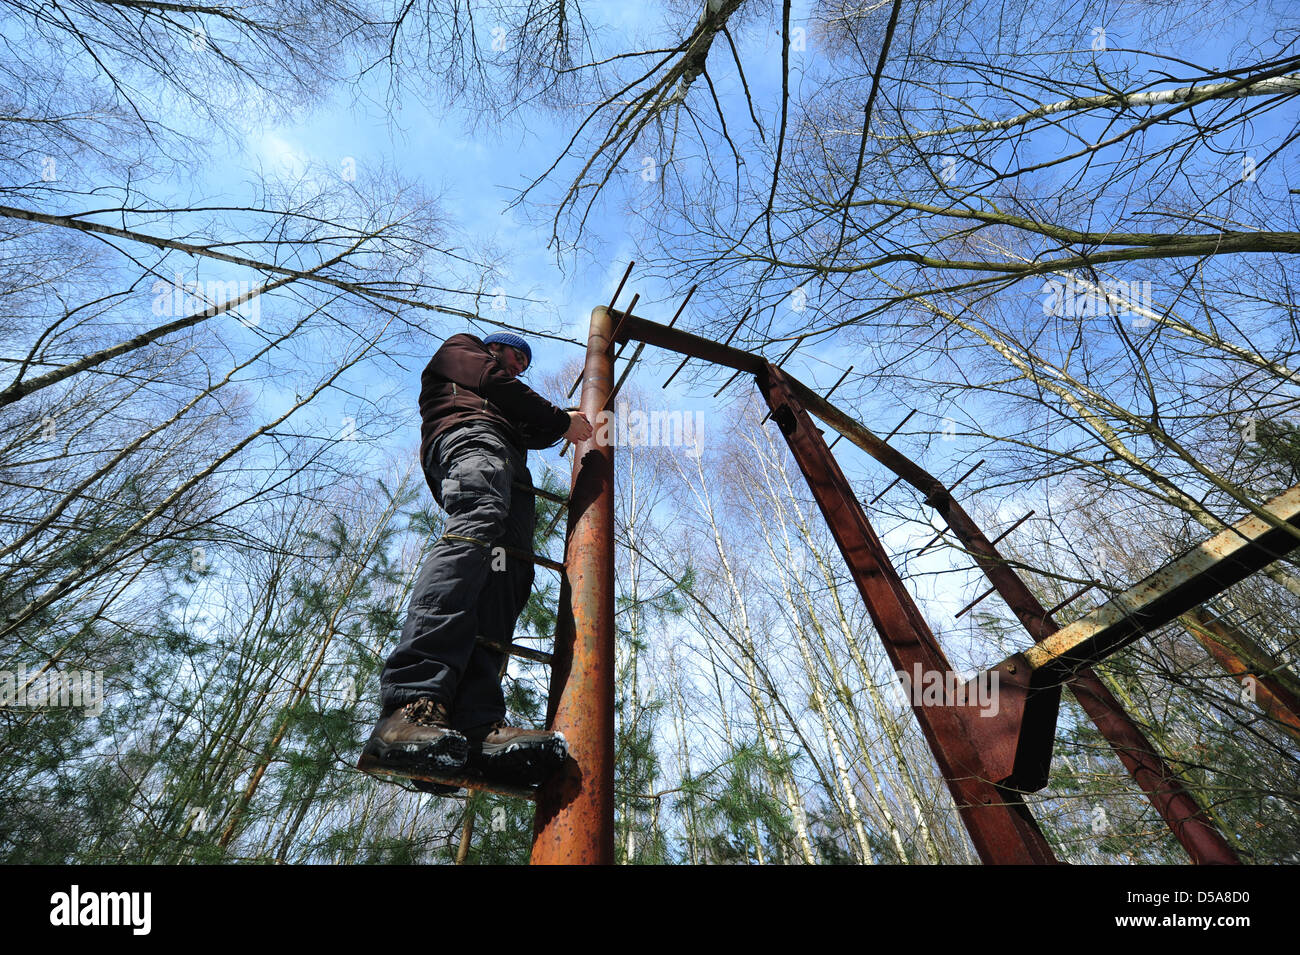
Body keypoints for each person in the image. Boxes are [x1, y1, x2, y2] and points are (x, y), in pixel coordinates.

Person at [359, 331, 593, 790]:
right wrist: (560, 420)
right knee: (476, 526)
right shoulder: (461, 350)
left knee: (509, 572)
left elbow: (536, 428)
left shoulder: (503, 398)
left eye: (525, 363)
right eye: (516, 355)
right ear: (494, 346)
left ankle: (473, 725)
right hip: (470, 439)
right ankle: (412, 703)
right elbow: (503, 388)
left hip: (507, 462)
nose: (519, 366)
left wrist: (560, 423)